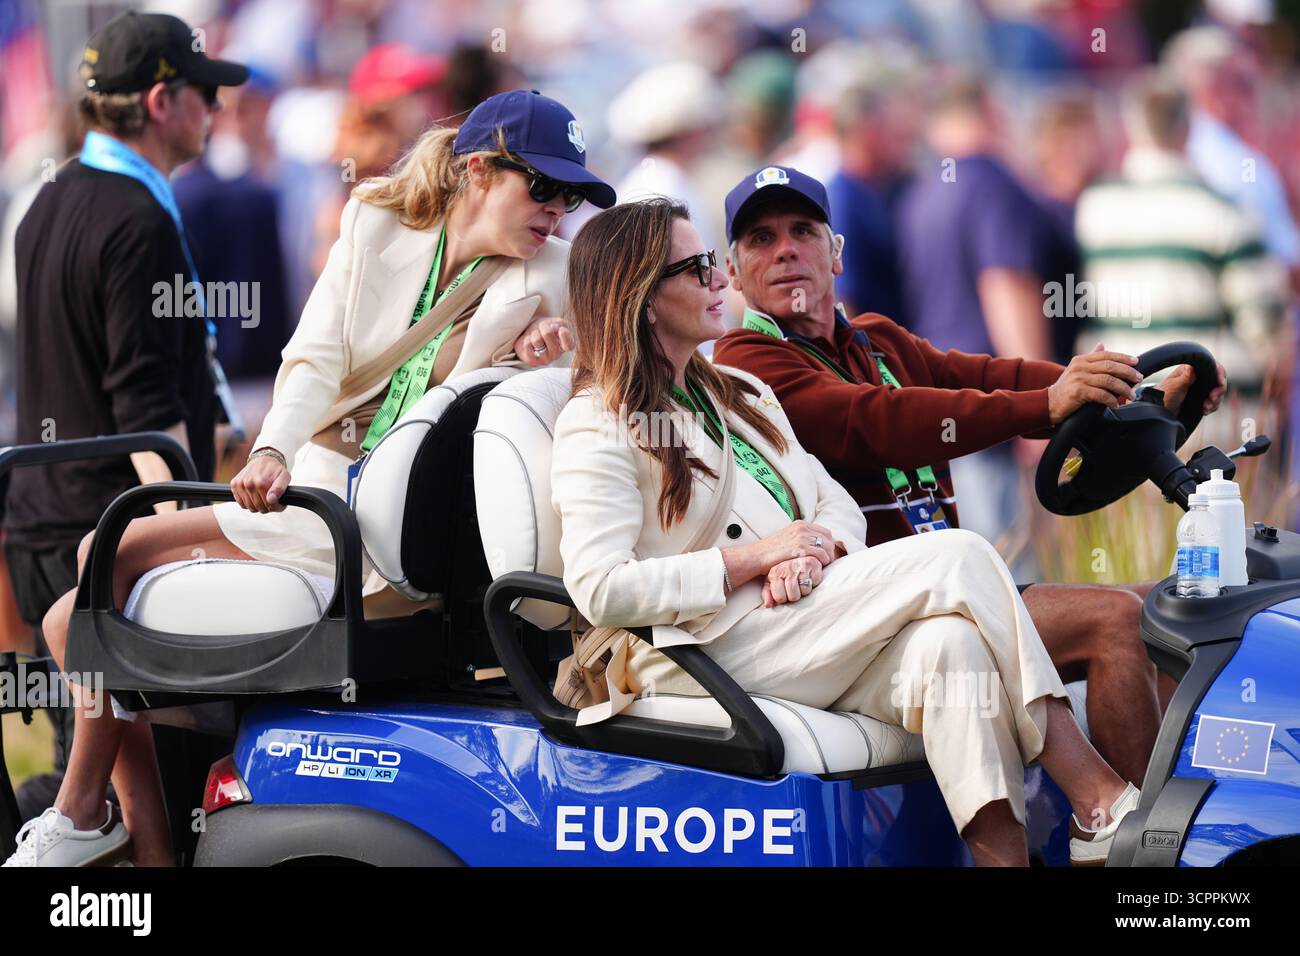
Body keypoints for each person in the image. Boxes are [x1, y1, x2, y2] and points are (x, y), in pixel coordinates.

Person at [4, 88, 615, 867]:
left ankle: (92, 818)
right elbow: (313, 357)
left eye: (572, 195)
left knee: (80, 603)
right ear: (476, 169)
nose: (559, 209)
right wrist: (273, 451)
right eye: (544, 186)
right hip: (317, 492)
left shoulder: (558, 274)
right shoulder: (375, 220)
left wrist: (548, 358)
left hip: (387, 538)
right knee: (88, 580)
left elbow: (592, 389)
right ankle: (115, 829)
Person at [553, 197, 1140, 866]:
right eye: (697, 267)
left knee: (951, 648)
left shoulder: (738, 392)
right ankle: (1096, 798)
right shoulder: (596, 422)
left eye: (713, 263)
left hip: (791, 616)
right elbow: (599, 589)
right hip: (698, 649)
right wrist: (753, 559)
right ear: (643, 297)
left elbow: (836, 508)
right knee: (960, 554)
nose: (719, 280)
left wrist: (809, 553)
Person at [711, 165, 1228, 787]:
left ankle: (1191, 805)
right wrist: (1047, 406)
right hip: (875, 624)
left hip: (958, 593)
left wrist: (1130, 389)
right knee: (1113, 618)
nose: (786, 249)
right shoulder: (746, 360)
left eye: (803, 230)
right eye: (761, 239)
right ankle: (1144, 841)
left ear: (836, 254)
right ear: (735, 274)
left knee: (1175, 604)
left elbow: (988, 376)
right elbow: (872, 420)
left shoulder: (877, 339)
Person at [2, 11, 246, 828]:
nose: (216, 110)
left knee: (111, 774)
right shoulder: (135, 218)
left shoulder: (50, 196)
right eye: (206, 93)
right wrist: (179, 534)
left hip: (50, 524)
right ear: (160, 99)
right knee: (138, 788)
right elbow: (146, 407)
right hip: (101, 538)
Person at [895, 76, 1067, 546]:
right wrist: (1042, 402)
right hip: (997, 408)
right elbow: (1005, 286)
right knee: (1011, 562)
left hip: (944, 403)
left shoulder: (921, 191)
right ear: (991, 111)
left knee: (975, 552)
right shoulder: (993, 185)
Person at [1075, 71, 1288, 400]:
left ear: (1130, 127)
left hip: (1121, 411)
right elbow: (1268, 336)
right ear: (1188, 129)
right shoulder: (1226, 214)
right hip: (1210, 418)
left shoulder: (1092, 209)